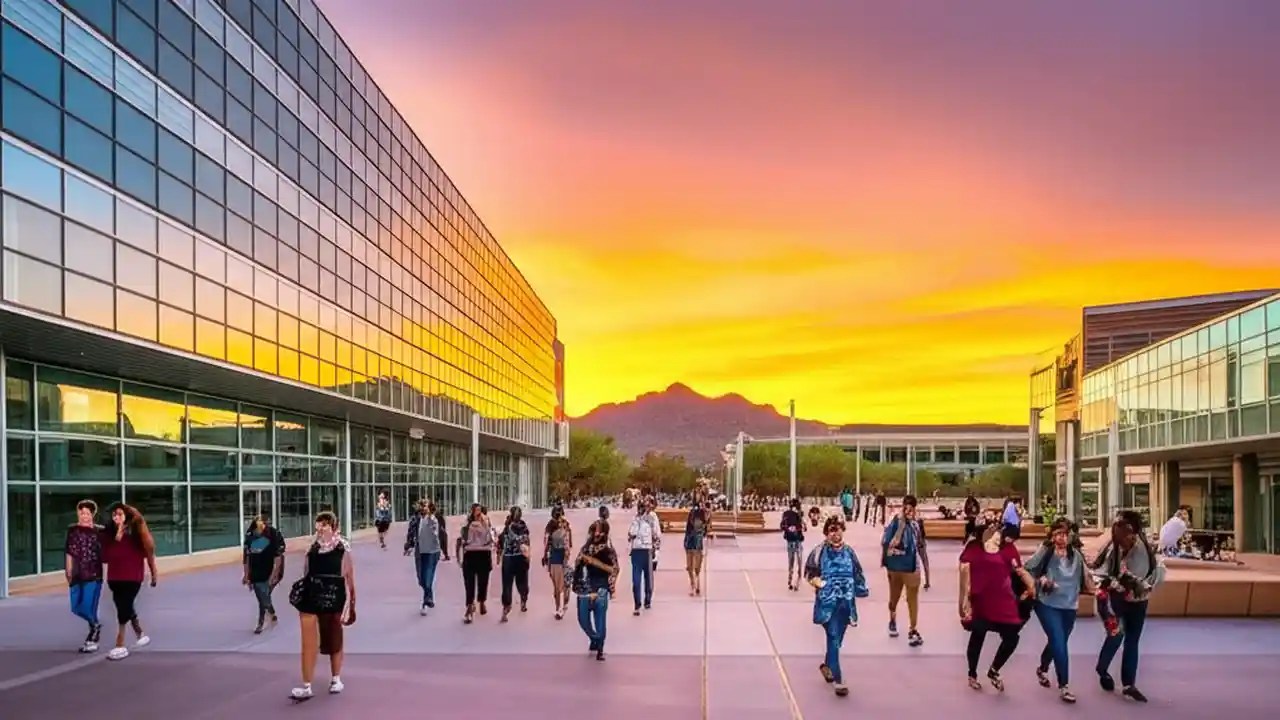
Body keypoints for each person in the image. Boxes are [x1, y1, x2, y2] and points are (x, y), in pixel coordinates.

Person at [1093, 510, 1165, 703]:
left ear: (1133, 532)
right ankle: (1102, 669)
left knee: (1132, 641)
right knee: (1117, 634)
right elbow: (1100, 570)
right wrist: (1110, 582)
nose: (1121, 540)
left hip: (1139, 601)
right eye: (1117, 535)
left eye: (1124, 535)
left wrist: (1145, 585)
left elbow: (1154, 572)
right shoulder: (1112, 548)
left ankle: (1128, 684)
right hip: (1116, 598)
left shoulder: (1145, 550)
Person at [959, 520, 1036, 692]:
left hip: (1003, 603)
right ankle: (972, 673)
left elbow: (1020, 571)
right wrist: (963, 604)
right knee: (978, 634)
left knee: (1012, 638)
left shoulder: (1008, 550)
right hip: (980, 602)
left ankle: (994, 670)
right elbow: (964, 576)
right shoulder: (973, 548)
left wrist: (1032, 586)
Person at [1028, 518, 1097, 703]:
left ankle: (1042, 668)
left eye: (1065, 534)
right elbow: (1028, 569)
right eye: (1058, 534)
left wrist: (1098, 589)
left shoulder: (1076, 555)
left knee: (1058, 641)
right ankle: (1064, 685)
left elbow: (1087, 579)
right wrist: (1042, 580)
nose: (1062, 537)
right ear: (1051, 536)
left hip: (1069, 605)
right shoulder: (1046, 552)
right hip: (1047, 604)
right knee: (1059, 642)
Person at [290, 512, 356, 700]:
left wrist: (351, 603)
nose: (319, 529)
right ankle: (306, 685)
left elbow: (349, 575)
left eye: (324, 525)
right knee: (308, 641)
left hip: (333, 597)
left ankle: (336, 678)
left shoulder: (343, 547)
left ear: (333, 526)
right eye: (318, 525)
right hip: (311, 596)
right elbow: (306, 571)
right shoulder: (312, 548)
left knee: (333, 638)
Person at [803, 515, 867, 698]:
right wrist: (818, 583)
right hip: (827, 602)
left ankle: (827, 665)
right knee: (832, 636)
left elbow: (858, 573)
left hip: (845, 603)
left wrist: (860, 589)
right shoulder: (819, 552)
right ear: (826, 533)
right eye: (831, 530)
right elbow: (809, 573)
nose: (835, 534)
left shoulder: (849, 552)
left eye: (838, 529)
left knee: (837, 641)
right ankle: (839, 680)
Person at [101, 503, 158, 660]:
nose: (116, 517)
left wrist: (154, 575)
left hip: (133, 577)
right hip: (114, 578)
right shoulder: (108, 535)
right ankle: (139, 632)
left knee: (123, 608)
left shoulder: (137, 535)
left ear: (126, 517)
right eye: (114, 515)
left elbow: (149, 554)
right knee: (123, 605)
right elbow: (105, 558)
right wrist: (116, 538)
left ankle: (120, 643)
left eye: (119, 514)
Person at [881, 494, 930, 646]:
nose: (909, 510)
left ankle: (913, 629)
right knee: (894, 597)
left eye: (912, 508)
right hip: (895, 567)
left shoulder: (916, 525)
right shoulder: (894, 522)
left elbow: (921, 547)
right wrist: (901, 525)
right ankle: (892, 618)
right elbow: (889, 543)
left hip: (911, 567)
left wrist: (927, 575)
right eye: (906, 507)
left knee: (912, 598)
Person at [573, 520, 619, 661]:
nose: (594, 534)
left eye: (597, 531)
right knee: (583, 620)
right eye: (593, 531)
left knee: (600, 620)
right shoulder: (585, 548)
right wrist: (580, 561)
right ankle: (595, 638)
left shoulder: (608, 550)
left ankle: (600, 647)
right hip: (585, 588)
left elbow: (614, 569)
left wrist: (593, 562)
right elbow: (577, 565)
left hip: (601, 588)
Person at [64, 499, 105, 653]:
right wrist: (68, 570)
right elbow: (69, 551)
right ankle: (95, 626)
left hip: (93, 574)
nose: (84, 516)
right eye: (82, 513)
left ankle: (92, 637)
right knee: (76, 607)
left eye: (87, 513)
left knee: (89, 606)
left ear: (92, 514)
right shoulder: (72, 530)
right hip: (76, 573)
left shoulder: (99, 531)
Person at [243, 511, 285, 633]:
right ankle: (271, 613)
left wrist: (274, 575)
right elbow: (246, 557)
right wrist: (246, 575)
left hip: (271, 567)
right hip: (256, 568)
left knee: (264, 594)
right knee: (262, 594)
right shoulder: (250, 535)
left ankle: (261, 622)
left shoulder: (273, 535)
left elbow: (278, 558)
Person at [403, 501, 442, 615]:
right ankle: (429, 595)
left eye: (425, 506)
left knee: (428, 574)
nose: (423, 508)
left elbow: (440, 534)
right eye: (422, 506)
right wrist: (408, 546)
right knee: (421, 578)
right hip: (420, 550)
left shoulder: (434, 519)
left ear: (430, 508)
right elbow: (411, 533)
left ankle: (426, 601)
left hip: (432, 551)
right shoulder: (415, 519)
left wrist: (444, 550)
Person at [460, 504, 494, 623]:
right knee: (469, 582)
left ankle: (482, 601)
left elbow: (492, 538)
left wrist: (486, 525)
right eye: (476, 511)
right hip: (470, 555)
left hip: (484, 554)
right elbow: (462, 539)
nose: (478, 513)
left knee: (483, 581)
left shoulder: (487, 523)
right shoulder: (467, 525)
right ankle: (469, 606)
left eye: (480, 510)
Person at [497, 506, 532, 622]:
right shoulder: (512, 526)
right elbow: (524, 542)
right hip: (515, 558)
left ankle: (513, 605)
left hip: (512, 558)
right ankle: (509, 607)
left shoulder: (512, 526)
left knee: (513, 584)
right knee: (514, 584)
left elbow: (502, 541)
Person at [627, 499, 661, 615]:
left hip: (647, 550)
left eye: (643, 507)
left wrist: (656, 550)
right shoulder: (635, 519)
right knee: (636, 580)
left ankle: (647, 600)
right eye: (640, 507)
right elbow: (630, 534)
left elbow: (657, 534)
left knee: (648, 578)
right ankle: (637, 603)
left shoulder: (652, 518)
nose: (641, 509)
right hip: (636, 551)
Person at [543, 506, 574, 619]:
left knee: (556, 586)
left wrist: (545, 556)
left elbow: (546, 542)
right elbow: (569, 544)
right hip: (562, 558)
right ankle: (564, 605)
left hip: (554, 558)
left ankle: (558, 608)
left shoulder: (550, 526)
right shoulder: (566, 525)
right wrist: (567, 555)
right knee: (565, 583)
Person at [781, 498, 806, 591]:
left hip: (790, 540)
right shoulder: (799, 514)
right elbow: (804, 527)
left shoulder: (786, 514)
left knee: (791, 561)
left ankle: (790, 579)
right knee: (799, 561)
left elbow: (782, 525)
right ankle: (797, 581)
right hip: (797, 540)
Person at [684, 502, 708, 596]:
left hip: (696, 546)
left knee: (695, 567)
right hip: (691, 544)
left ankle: (695, 584)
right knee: (691, 567)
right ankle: (694, 584)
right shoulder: (693, 524)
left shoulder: (701, 523)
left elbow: (705, 526)